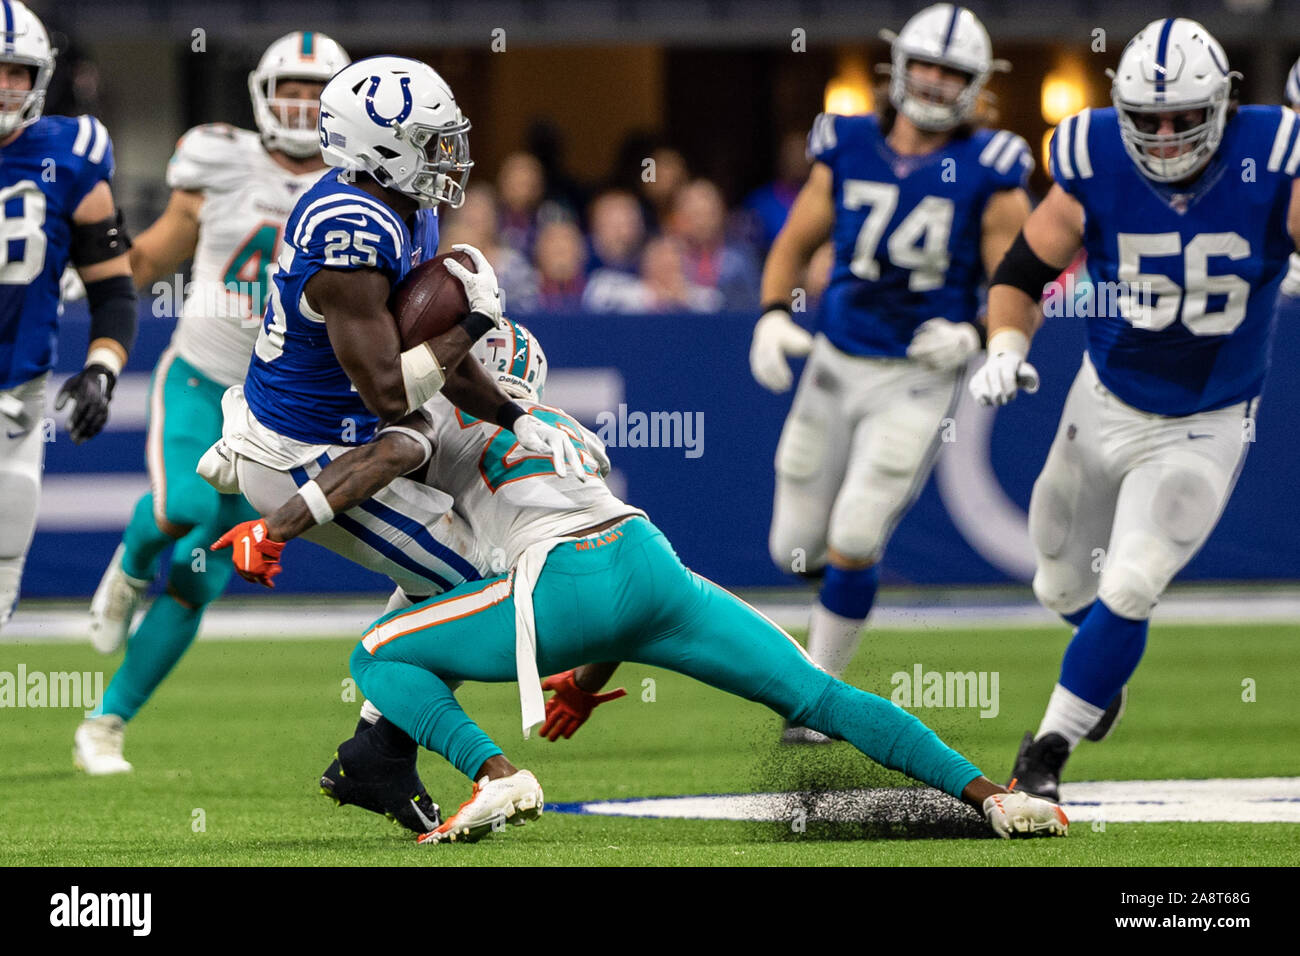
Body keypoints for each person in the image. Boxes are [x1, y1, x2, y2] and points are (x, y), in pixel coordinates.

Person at [214, 322, 1069, 845]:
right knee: (815, 694)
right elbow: (614, 597)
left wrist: (274, 504)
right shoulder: (562, 425)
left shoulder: (441, 413)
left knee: (376, 656)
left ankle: (495, 772)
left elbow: (390, 453)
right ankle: (994, 798)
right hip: (648, 560)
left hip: (559, 575)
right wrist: (583, 690)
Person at [198, 56, 584, 832]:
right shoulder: (351, 228)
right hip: (305, 453)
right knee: (474, 588)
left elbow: (434, 366)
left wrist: (516, 417)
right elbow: (387, 388)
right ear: (377, 148)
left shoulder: (401, 203)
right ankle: (483, 767)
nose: (449, 156)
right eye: (429, 141)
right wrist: (473, 322)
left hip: (360, 434)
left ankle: (377, 752)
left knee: (447, 585)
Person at [968, 18, 1300, 800]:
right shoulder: (1093, 155)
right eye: (1147, 119)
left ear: (1222, 105)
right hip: (1105, 397)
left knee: (1133, 582)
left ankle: (1043, 755)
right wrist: (1007, 348)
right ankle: (1102, 670)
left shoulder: (1273, 156)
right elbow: (1022, 268)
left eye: (1185, 116)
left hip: (1207, 417)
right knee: (1059, 580)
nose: (1164, 134)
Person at [750, 3, 1031, 742]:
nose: (936, 82)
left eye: (954, 72)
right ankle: (849, 595)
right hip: (836, 362)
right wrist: (773, 312)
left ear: (978, 84)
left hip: (916, 375)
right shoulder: (846, 141)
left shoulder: (991, 166)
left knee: (856, 527)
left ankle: (815, 702)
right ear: (899, 66)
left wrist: (976, 331)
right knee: (793, 547)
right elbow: (795, 237)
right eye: (928, 65)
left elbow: (1029, 270)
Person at [75, 31, 351, 777]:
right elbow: (155, 252)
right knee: (186, 507)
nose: (297, 105)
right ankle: (131, 565)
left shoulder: (359, 187)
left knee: (201, 574)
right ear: (263, 95)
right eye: (287, 89)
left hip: (274, 413)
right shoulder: (222, 160)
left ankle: (105, 724)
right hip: (201, 378)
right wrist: (91, 282)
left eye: (312, 91)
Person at [0, 1, 136, 630]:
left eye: (16, 71)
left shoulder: (72, 152)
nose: (4, 84)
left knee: (1, 565)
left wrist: (102, 370)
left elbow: (113, 290)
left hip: (15, 396)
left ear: (40, 78)